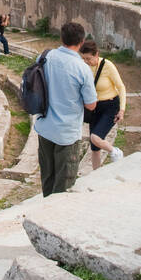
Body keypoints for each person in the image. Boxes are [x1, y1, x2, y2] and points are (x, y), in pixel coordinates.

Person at [33, 22, 98, 197]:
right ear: (81, 42)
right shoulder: (82, 69)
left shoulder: (44, 57)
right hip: (66, 133)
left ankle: (45, 209)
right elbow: (91, 104)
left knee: (47, 178)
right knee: (64, 185)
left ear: (62, 38)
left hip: (45, 127)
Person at [79, 40, 125, 169]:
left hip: (110, 106)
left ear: (96, 54)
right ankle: (96, 173)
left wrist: (122, 110)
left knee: (95, 137)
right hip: (94, 107)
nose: (86, 61)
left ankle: (115, 152)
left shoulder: (108, 66)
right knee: (94, 147)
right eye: (84, 58)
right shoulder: (84, 67)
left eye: (89, 58)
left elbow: (121, 87)